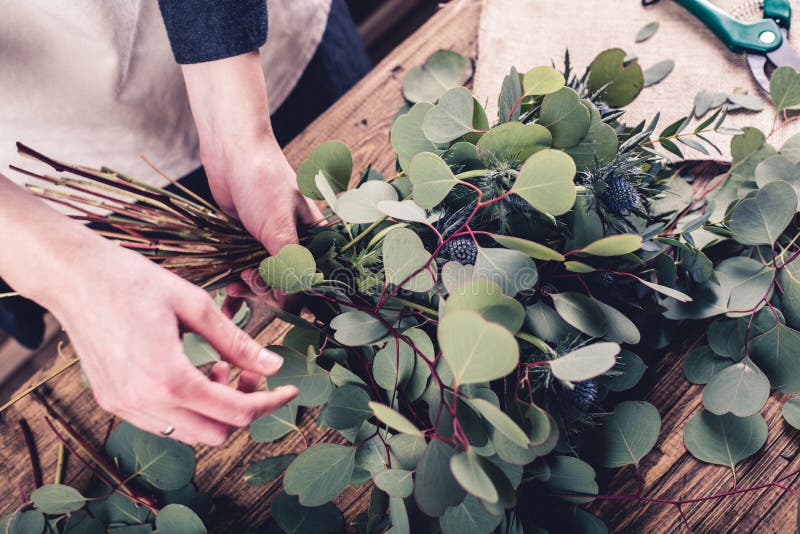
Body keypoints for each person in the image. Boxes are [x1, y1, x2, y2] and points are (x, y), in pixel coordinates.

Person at [0, 0, 371, 445]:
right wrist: (68, 274)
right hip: (65, 174)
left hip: (257, 53)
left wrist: (239, 135)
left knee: (348, 234)